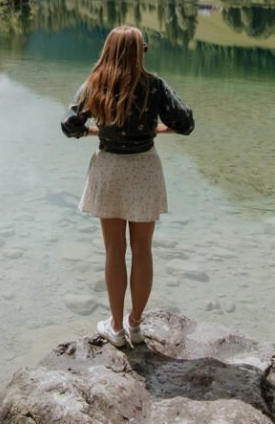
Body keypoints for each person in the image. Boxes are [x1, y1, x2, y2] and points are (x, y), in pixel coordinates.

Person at [61, 24, 194, 348]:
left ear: (107, 50)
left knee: (114, 251)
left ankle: (116, 328)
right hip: (144, 170)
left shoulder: (95, 84)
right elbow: (185, 123)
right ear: (139, 53)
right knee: (143, 251)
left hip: (109, 170)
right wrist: (157, 130)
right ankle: (135, 324)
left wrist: (96, 132)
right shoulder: (154, 86)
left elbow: (69, 125)